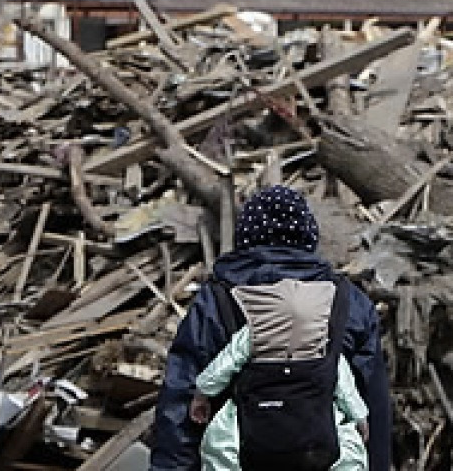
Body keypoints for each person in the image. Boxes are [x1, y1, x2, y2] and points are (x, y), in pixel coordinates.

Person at [150, 186, 391, 471]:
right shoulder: (348, 301)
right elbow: (373, 401)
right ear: (309, 235)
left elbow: (180, 401)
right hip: (323, 457)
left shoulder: (216, 299)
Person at [187, 280, 370, 470]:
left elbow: (222, 367)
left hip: (255, 426)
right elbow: (347, 389)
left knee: (218, 445)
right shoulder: (324, 345)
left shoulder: (253, 335)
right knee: (350, 452)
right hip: (314, 435)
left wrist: (202, 395)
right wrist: (360, 418)